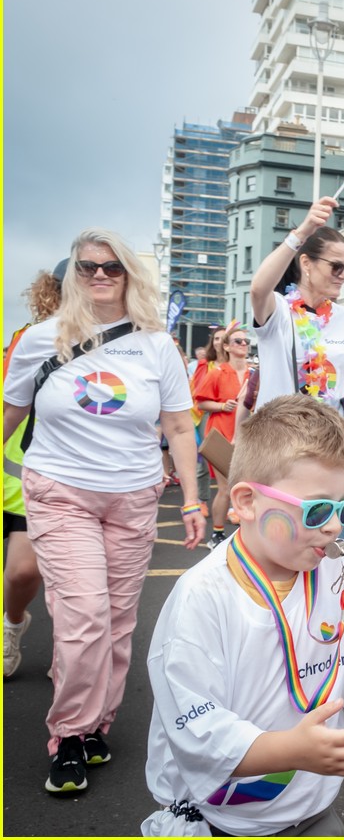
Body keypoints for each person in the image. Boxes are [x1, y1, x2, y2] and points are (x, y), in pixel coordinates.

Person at [145, 395, 344, 836]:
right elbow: (196, 730)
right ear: (248, 501)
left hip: (314, 808)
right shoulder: (203, 597)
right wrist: (289, 750)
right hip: (222, 818)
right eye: (318, 509)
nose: (335, 526)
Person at [2, 230, 205, 794]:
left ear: (129, 274)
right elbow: (12, 410)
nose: (99, 275)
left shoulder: (157, 346)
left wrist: (191, 497)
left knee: (116, 623)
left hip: (134, 496)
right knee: (84, 617)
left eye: (112, 267)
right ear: (72, 273)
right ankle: (68, 734)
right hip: (61, 493)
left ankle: (97, 725)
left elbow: (181, 426)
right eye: (87, 266)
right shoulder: (40, 339)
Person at [3, 260, 65, 679]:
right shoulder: (29, 339)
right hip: (22, 468)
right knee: (23, 571)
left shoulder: (126, 343)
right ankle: (12, 623)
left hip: (82, 476)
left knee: (72, 575)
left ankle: (72, 648)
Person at [249, 196, 344, 411]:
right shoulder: (279, 311)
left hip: (329, 440)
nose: (343, 275)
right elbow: (258, 289)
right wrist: (302, 233)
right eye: (336, 266)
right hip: (280, 438)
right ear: (306, 263)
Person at [194, 324, 252, 546]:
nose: (244, 345)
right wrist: (220, 406)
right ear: (226, 346)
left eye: (246, 342)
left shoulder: (253, 372)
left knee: (249, 488)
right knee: (226, 488)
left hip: (249, 436)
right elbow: (201, 403)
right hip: (221, 433)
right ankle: (217, 534)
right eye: (238, 341)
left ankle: (246, 537)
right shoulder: (216, 372)